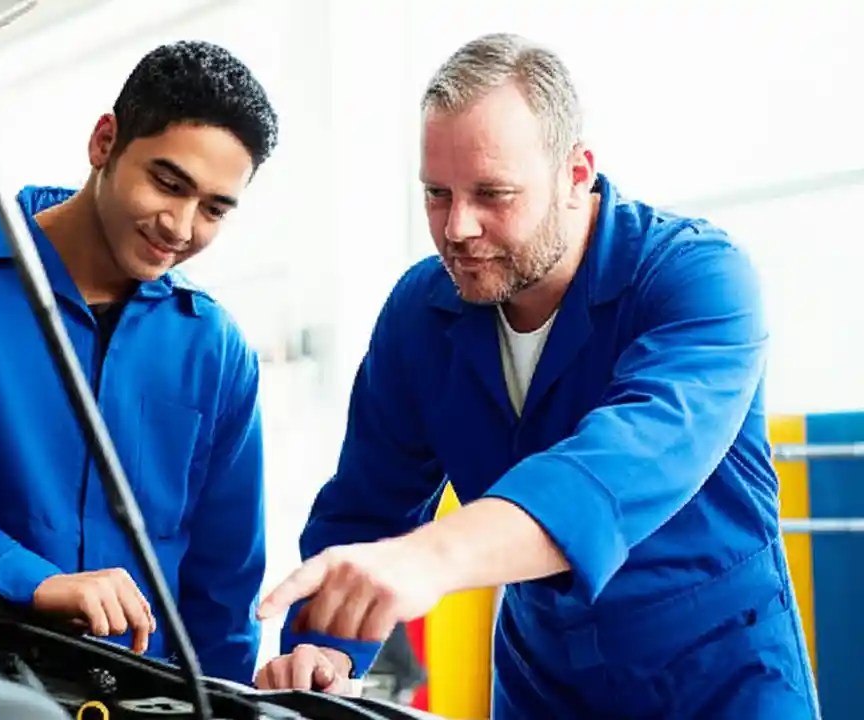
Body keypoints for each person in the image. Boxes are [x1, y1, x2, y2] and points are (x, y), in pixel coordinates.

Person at [254, 32, 820, 718]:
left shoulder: (695, 280)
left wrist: (429, 560)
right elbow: (368, 504)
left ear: (576, 173)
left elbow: (615, 466)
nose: (458, 227)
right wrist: (326, 644)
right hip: (545, 680)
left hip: (714, 678)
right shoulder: (421, 315)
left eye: (493, 193)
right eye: (437, 193)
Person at [0, 40, 278, 685]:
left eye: (214, 208)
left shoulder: (216, 349)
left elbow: (222, 583)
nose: (180, 224)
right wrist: (31, 580)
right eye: (168, 184)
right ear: (104, 142)